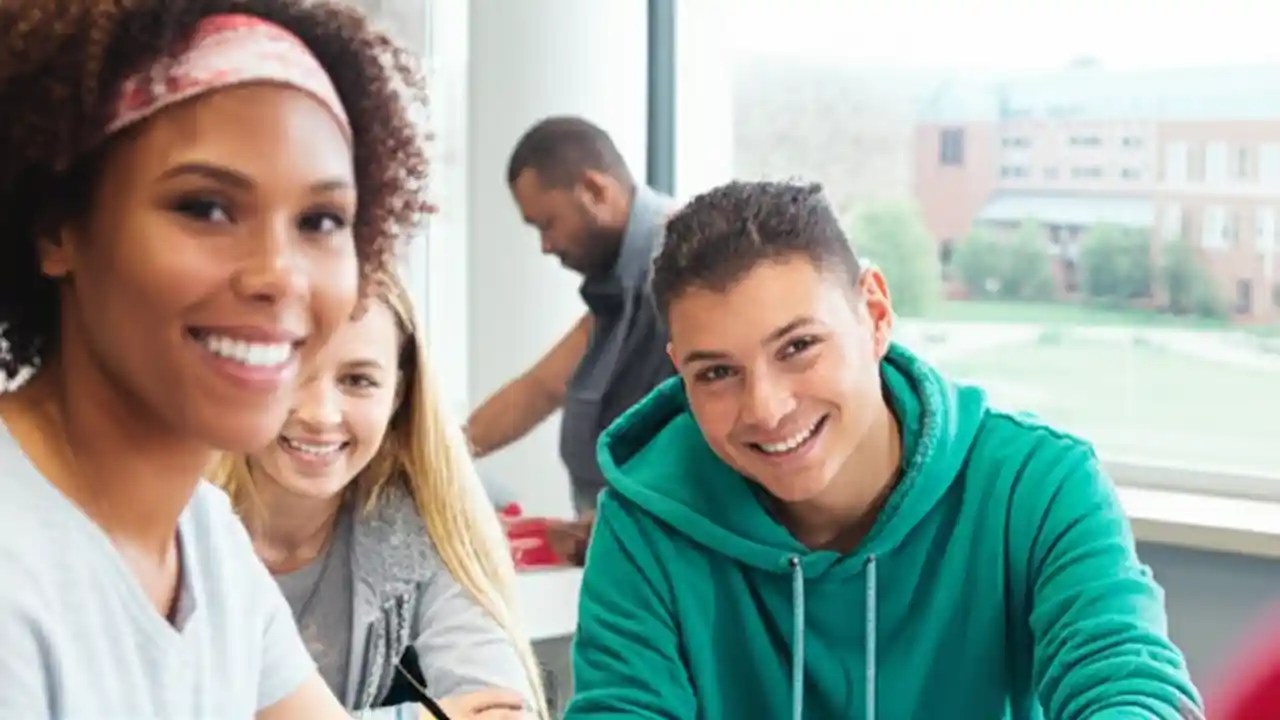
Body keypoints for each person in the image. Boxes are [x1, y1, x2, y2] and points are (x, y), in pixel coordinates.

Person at [565, 180, 1204, 719]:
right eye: (717, 373)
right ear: (679, 370)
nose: (766, 408)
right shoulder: (643, 526)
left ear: (874, 314)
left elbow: (1129, 685)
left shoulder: (1039, 486)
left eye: (798, 347)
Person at [0, 3, 430, 718]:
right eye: (205, 208)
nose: (280, 275)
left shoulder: (204, 539)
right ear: (57, 230)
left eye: (321, 221)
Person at [213, 272, 549, 719]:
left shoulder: (420, 521)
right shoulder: (179, 521)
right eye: (292, 369)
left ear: (397, 396)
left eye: (357, 380)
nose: (320, 414)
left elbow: (505, 712)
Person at [464, 116, 678, 522]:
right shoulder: (621, 284)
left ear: (595, 189)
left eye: (548, 224)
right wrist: (444, 453)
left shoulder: (679, 263)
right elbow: (540, 388)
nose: (545, 246)